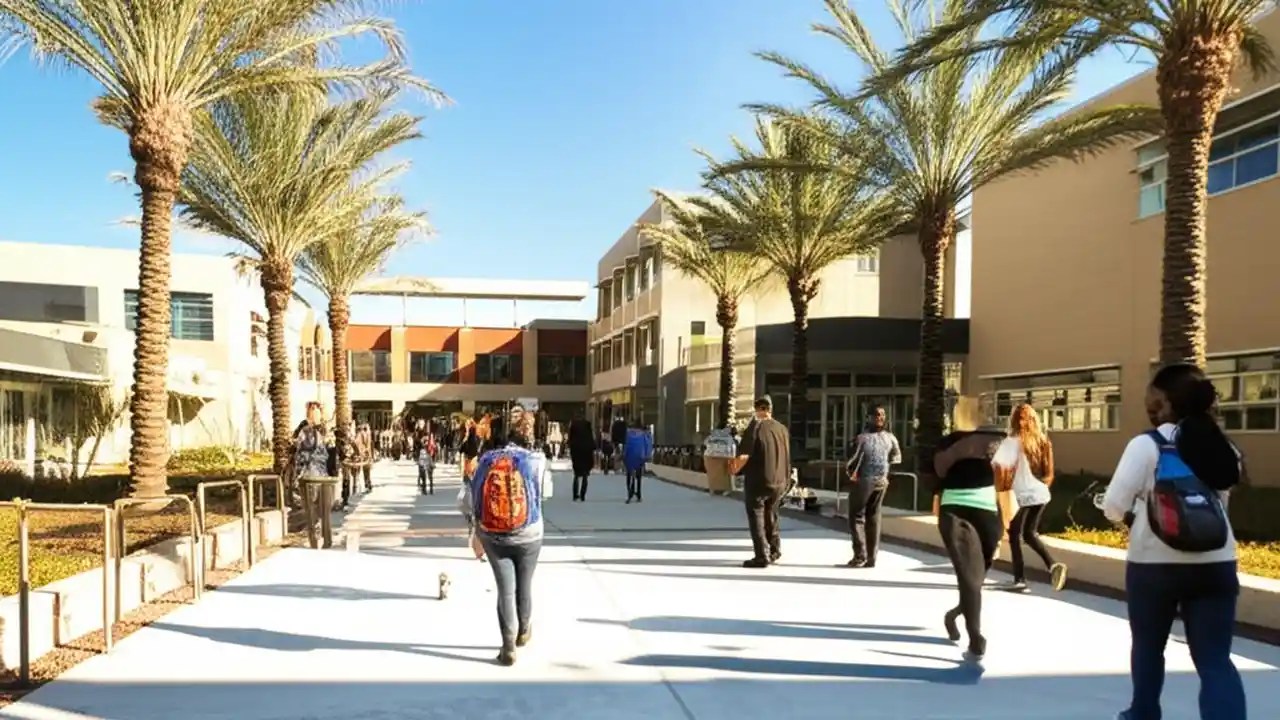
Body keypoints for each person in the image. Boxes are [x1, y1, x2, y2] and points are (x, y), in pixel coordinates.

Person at [1102, 363, 1244, 720]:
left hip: (1154, 567)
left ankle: (1143, 713)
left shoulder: (1146, 445)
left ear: (1162, 402)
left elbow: (1114, 506)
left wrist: (1134, 513)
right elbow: (1222, 500)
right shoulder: (1222, 446)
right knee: (1214, 660)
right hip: (1216, 563)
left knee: (1149, 647)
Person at [458, 406, 546, 666]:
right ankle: (523, 630)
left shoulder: (486, 461)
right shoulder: (534, 459)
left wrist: (475, 531)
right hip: (529, 532)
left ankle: (508, 647)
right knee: (525, 584)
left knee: (505, 590)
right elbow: (543, 495)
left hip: (493, 535)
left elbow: (470, 498)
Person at [933, 409, 1006, 663]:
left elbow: (1005, 480)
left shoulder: (996, 446)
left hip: (988, 511)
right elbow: (939, 471)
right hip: (955, 510)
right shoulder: (949, 443)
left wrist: (1002, 526)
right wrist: (962, 449)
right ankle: (975, 638)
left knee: (975, 579)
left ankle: (954, 614)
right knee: (969, 576)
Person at [991, 403, 1067, 593]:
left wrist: (1000, 496)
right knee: (1029, 533)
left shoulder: (1011, 442)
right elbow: (1050, 474)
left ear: (1013, 420)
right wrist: (1040, 488)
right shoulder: (1043, 441)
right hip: (1040, 494)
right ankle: (1052, 565)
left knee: (1015, 534)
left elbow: (999, 470)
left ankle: (1020, 579)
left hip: (1023, 496)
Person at [730, 396, 791, 568]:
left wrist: (733, 469)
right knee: (771, 514)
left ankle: (761, 555)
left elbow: (743, 455)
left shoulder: (755, 427)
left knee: (756, 514)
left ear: (759, 409)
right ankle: (774, 549)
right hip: (780, 480)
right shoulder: (782, 429)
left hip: (759, 479)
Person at [844, 405, 902, 568]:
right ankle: (872, 557)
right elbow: (896, 458)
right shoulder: (890, 438)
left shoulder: (862, 439)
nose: (879, 418)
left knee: (856, 516)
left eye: (881, 415)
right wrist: (887, 476)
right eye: (878, 415)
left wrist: (851, 474)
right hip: (881, 481)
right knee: (874, 517)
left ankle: (860, 555)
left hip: (865, 480)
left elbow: (851, 461)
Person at [623, 418, 653, 504]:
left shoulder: (629, 433)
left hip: (630, 456)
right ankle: (638, 493)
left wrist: (624, 454)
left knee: (629, 474)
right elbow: (647, 444)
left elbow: (626, 445)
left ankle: (630, 491)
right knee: (638, 475)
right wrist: (647, 455)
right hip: (640, 456)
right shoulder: (643, 434)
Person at [568, 412, 596, 501]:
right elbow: (591, 438)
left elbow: (570, 439)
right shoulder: (588, 425)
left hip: (576, 450)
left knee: (576, 474)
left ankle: (575, 494)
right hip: (586, 451)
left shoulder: (573, 426)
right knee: (585, 475)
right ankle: (582, 495)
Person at [417, 427, 436, 495]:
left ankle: (427, 489)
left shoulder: (426, 449)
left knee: (425, 477)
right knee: (428, 477)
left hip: (425, 464)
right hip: (427, 463)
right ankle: (428, 488)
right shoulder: (429, 442)